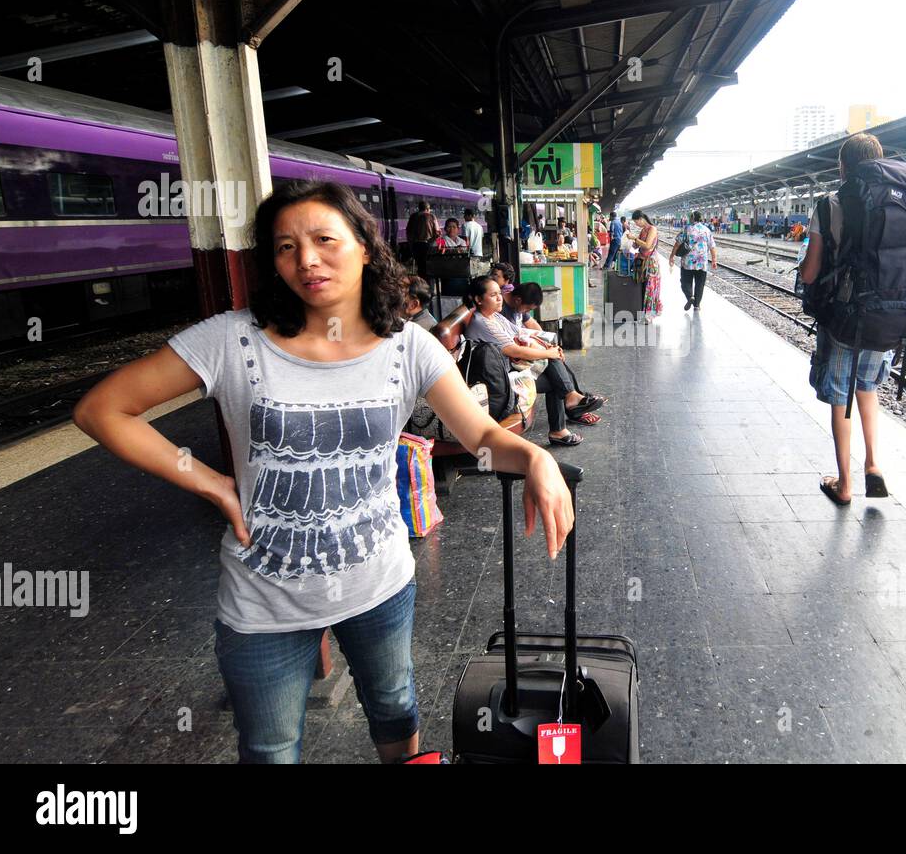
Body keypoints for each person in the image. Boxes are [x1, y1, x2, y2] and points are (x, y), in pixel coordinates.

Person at [72, 180, 572, 764]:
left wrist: (537, 456)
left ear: (365, 246)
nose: (306, 259)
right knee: (270, 747)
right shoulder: (232, 340)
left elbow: (482, 436)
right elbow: (102, 409)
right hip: (265, 602)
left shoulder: (408, 346)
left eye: (323, 239)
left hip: (378, 584)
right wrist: (210, 481)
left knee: (394, 707)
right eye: (285, 247)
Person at [799, 132, 906, 507]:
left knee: (840, 397)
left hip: (844, 318)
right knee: (867, 388)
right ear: (880, 161)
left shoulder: (829, 205)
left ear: (843, 167)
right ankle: (874, 465)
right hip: (888, 315)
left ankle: (844, 483)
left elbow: (811, 273)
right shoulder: (902, 200)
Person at [463, 276, 605, 447]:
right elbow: (514, 349)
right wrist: (548, 352)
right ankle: (567, 408)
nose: (499, 298)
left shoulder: (495, 316)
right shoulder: (482, 323)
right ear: (479, 300)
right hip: (500, 381)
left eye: (499, 293)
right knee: (552, 365)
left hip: (510, 369)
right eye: (493, 295)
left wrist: (547, 347)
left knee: (553, 364)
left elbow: (521, 332)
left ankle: (569, 402)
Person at [674, 210, 716, 311]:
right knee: (700, 284)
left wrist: (672, 256)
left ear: (692, 218)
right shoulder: (707, 230)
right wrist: (714, 260)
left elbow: (678, 243)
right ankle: (697, 305)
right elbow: (712, 246)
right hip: (702, 263)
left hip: (688, 262)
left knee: (685, 282)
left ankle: (690, 297)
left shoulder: (687, 228)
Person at [631, 211, 662, 317]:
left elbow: (648, 245)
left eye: (636, 222)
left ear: (641, 219)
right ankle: (644, 312)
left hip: (651, 263)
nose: (636, 224)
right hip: (643, 261)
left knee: (650, 288)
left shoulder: (652, 229)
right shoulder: (643, 230)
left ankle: (650, 314)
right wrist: (631, 243)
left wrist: (634, 239)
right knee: (644, 287)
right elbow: (637, 245)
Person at [405, 201, 439, 273]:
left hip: (416, 245)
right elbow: (437, 232)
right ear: (427, 209)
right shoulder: (432, 216)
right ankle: (430, 283)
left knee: (420, 268)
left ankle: (422, 281)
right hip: (428, 245)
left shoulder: (413, 217)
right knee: (429, 268)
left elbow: (408, 232)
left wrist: (411, 246)